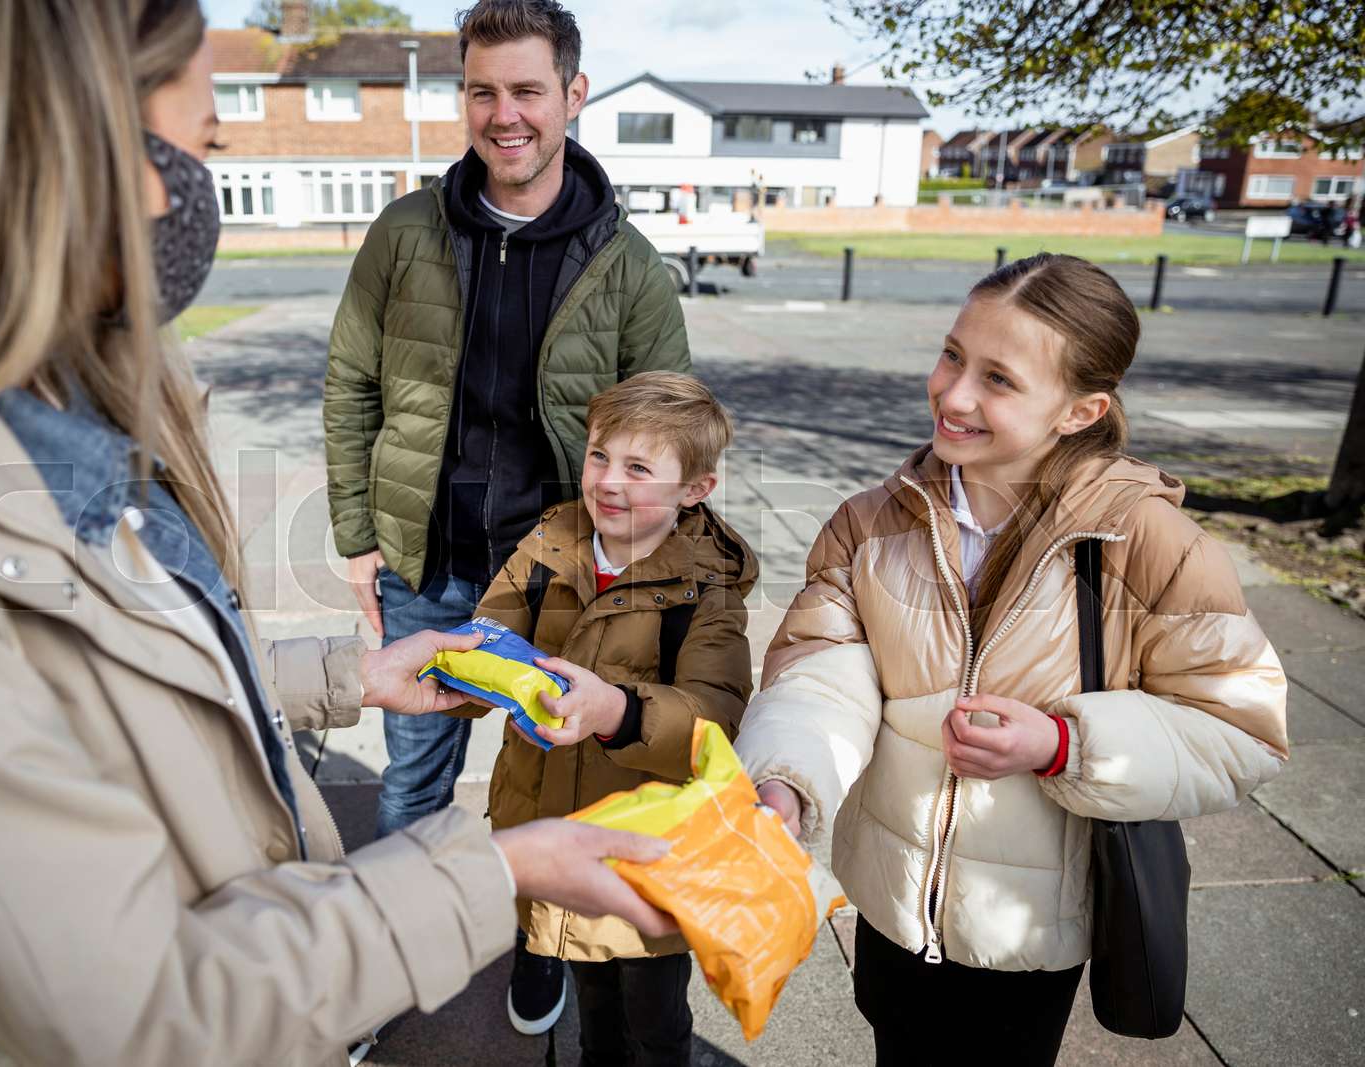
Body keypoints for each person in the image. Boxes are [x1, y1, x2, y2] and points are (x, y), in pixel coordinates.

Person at [0, 4, 677, 1066]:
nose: (204, 186)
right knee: (416, 789)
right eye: (201, 143)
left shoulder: (74, 392)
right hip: (234, 979)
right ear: (71, 144)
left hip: (530, 603)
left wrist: (345, 675)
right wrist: (495, 874)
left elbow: (102, 686)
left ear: (571, 95)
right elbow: (137, 1008)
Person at [735, 253, 1290, 1065]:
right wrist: (786, 779)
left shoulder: (1148, 544)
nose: (954, 393)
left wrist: (1062, 743)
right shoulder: (871, 521)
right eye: (952, 355)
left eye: (998, 379)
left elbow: (1243, 728)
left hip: (1027, 932)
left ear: (1081, 410)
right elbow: (822, 666)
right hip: (892, 901)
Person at [322, 0, 689, 1032]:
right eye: (482, 91)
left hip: (561, 584)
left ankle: (540, 939)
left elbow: (668, 429)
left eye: (527, 90)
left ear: (573, 95)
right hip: (428, 562)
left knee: (554, 778)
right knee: (413, 779)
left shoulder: (627, 263)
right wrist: (357, 534)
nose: (504, 114)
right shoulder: (405, 232)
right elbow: (351, 382)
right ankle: (386, 963)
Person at [449, 372, 755, 1059]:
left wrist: (615, 709)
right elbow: (489, 633)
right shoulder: (550, 542)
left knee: (654, 1015)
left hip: (647, 846)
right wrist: (455, 670)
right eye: (599, 456)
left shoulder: (707, 590)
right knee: (592, 1003)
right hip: (552, 817)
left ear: (694, 489)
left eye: (638, 468)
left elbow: (714, 718)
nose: (608, 481)